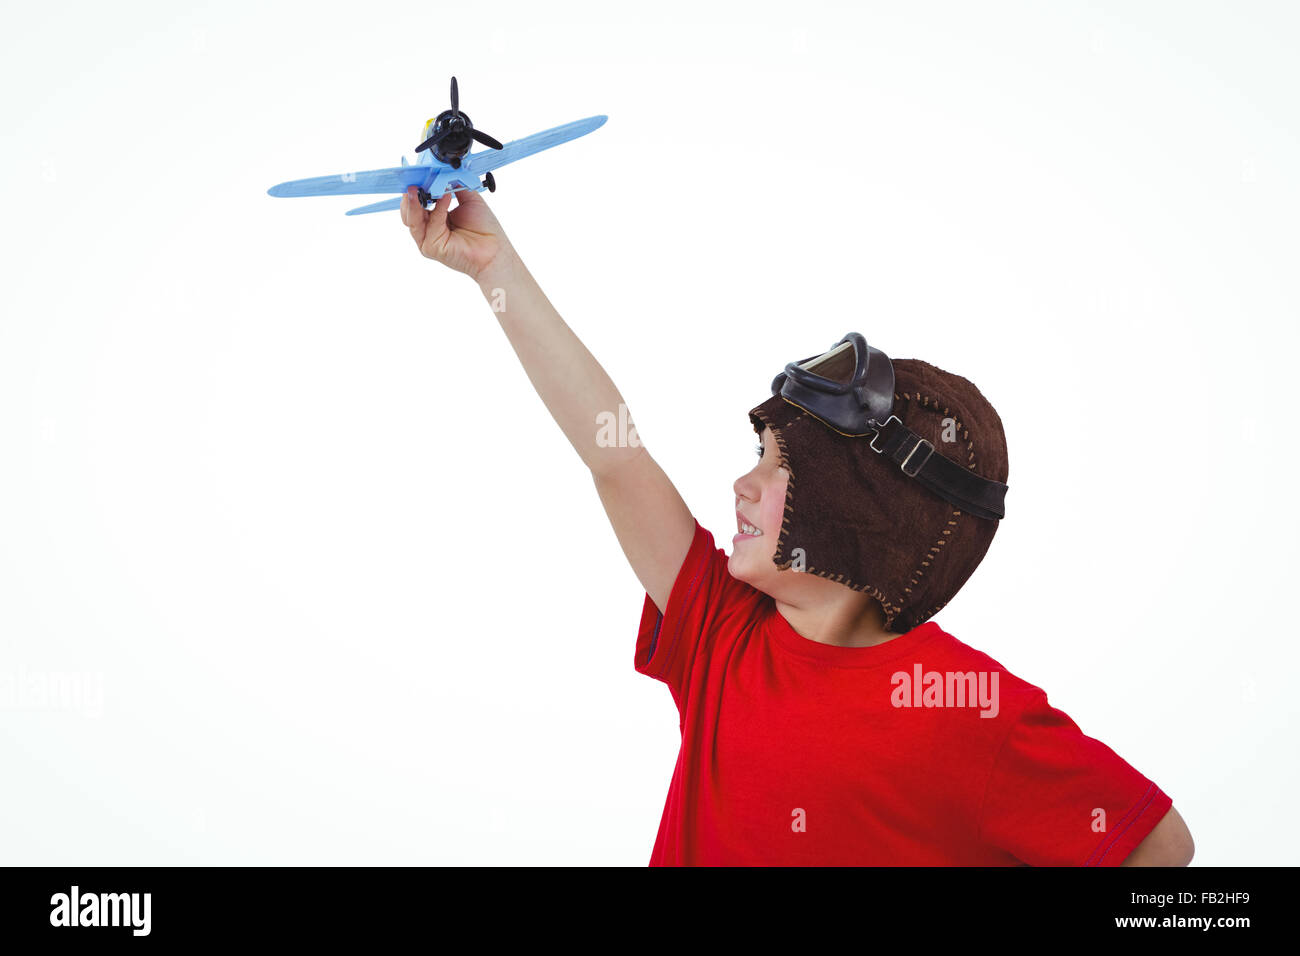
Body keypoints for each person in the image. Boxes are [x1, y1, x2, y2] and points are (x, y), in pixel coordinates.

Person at [399, 186, 1194, 866]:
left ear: (860, 510)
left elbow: (1161, 847)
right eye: (758, 454)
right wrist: (493, 270)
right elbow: (616, 456)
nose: (743, 484)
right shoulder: (721, 632)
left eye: (780, 467)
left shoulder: (970, 708)